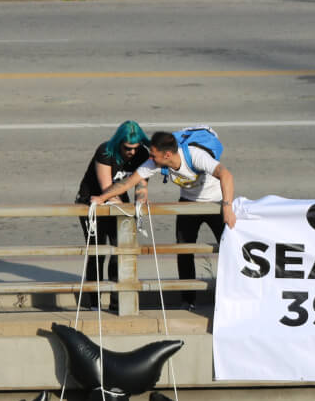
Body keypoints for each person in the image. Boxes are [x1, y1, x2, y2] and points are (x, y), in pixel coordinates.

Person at [93, 130, 236, 308]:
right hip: (188, 204)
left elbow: (226, 175)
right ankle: (188, 300)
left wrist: (227, 207)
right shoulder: (155, 162)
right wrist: (102, 197)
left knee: (228, 251)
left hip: (215, 204)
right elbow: (127, 183)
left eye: (153, 155)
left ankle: (231, 297)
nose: (150, 158)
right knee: (184, 252)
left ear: (167, 154)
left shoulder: (195, 156)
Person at [74, 121, 150, 310]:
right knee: (97, 252)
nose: (132, 152)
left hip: (119, 203)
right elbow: (107, 189)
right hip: (93, 201)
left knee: (121, 252)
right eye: (127, 148)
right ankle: (94, 303)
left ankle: (117, 302)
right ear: (119, 143)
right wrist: (126, 208)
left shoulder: (143, 154)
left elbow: (141, 184)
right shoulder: (106, 151)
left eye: (135, 148)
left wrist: (139, 204)